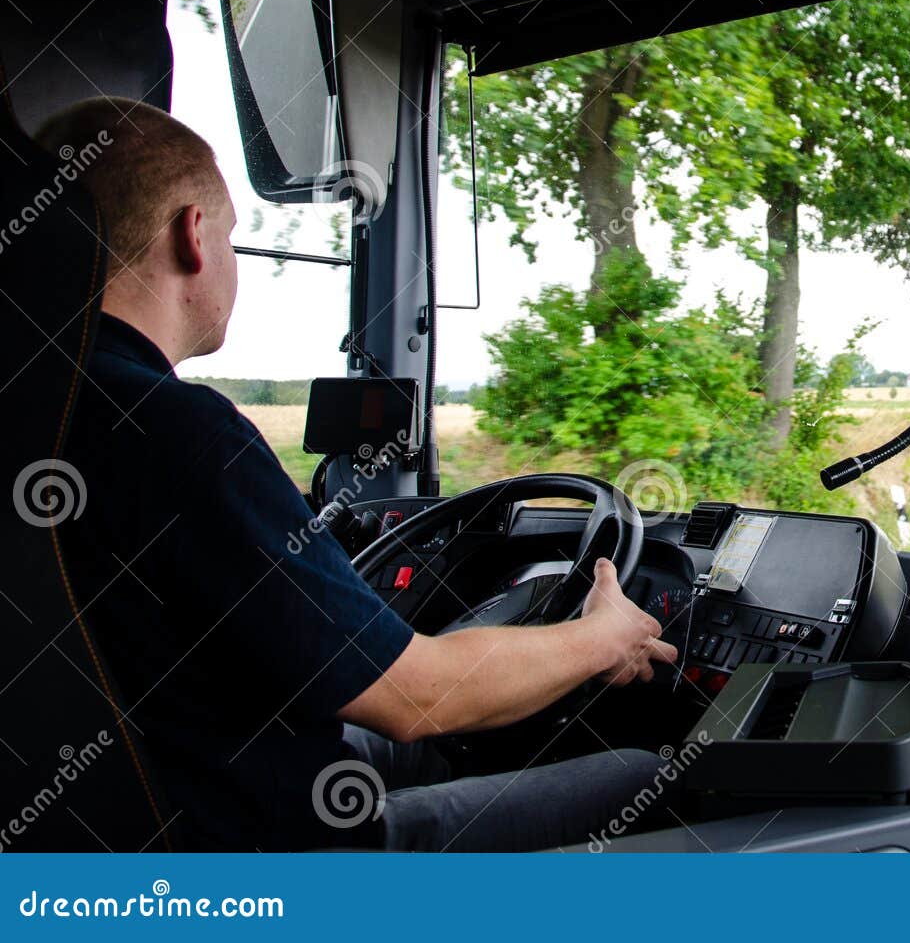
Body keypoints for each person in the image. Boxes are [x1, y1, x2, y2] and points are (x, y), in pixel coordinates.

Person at [38, 97, 678, 851]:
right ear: (194, 235)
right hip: (261, 860)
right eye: (237, 239)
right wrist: (601, 639)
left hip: (118, 820)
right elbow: (419, 695)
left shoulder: (43, 402)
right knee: (646, 776)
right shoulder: (177, 433)